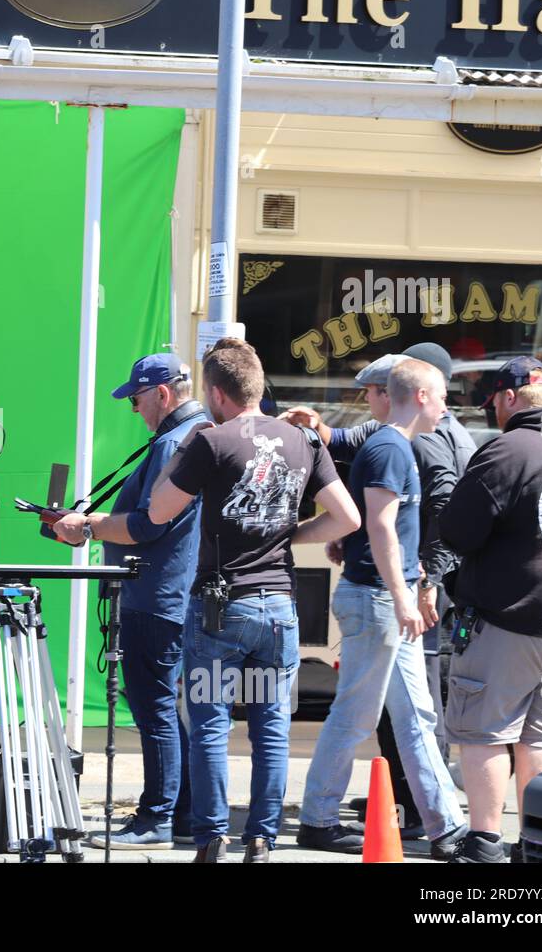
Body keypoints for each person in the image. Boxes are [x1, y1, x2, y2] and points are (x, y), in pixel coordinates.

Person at [148, 338, 360, 863]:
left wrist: (185, 452)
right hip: (277, 610)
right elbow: (348, 519)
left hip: (221, 610)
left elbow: (157, 511)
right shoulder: (303, 441)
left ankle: (211, 838)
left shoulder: (211, 441)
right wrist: (289, 534)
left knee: (212, 725)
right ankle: (262, 839)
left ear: (217, 393)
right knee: (270, 729)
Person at [284, 342, 476, 837]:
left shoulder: (397, 446)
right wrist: (403, 595)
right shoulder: (391, 448)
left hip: (384, 599)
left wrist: (408, 588)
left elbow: (368, 524)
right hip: (378, 602)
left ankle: (446, 827)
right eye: (439, 397)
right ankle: (319, 820)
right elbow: (382, 527)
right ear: (417, 395)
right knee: (357, 716)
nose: (445, 406)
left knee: (416, 717)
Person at [439, 356, 542, 863]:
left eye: (493, 405)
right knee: (541, 737)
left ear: (509, 399)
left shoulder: (506, 450)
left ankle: (484, 840)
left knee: (484, 730)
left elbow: (458, 532)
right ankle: (538, 838)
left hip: (509, 619)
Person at [51, 354, 208, 850]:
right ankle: (179, 813)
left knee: (155, 709)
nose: (135, 410)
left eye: (137, 400)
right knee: (165, 707)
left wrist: (90, 526)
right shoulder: (190, 436)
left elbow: (145, 525)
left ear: (162, 394)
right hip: (169, 591)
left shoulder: (174, 444)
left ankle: (156, 819)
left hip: (156, 594)